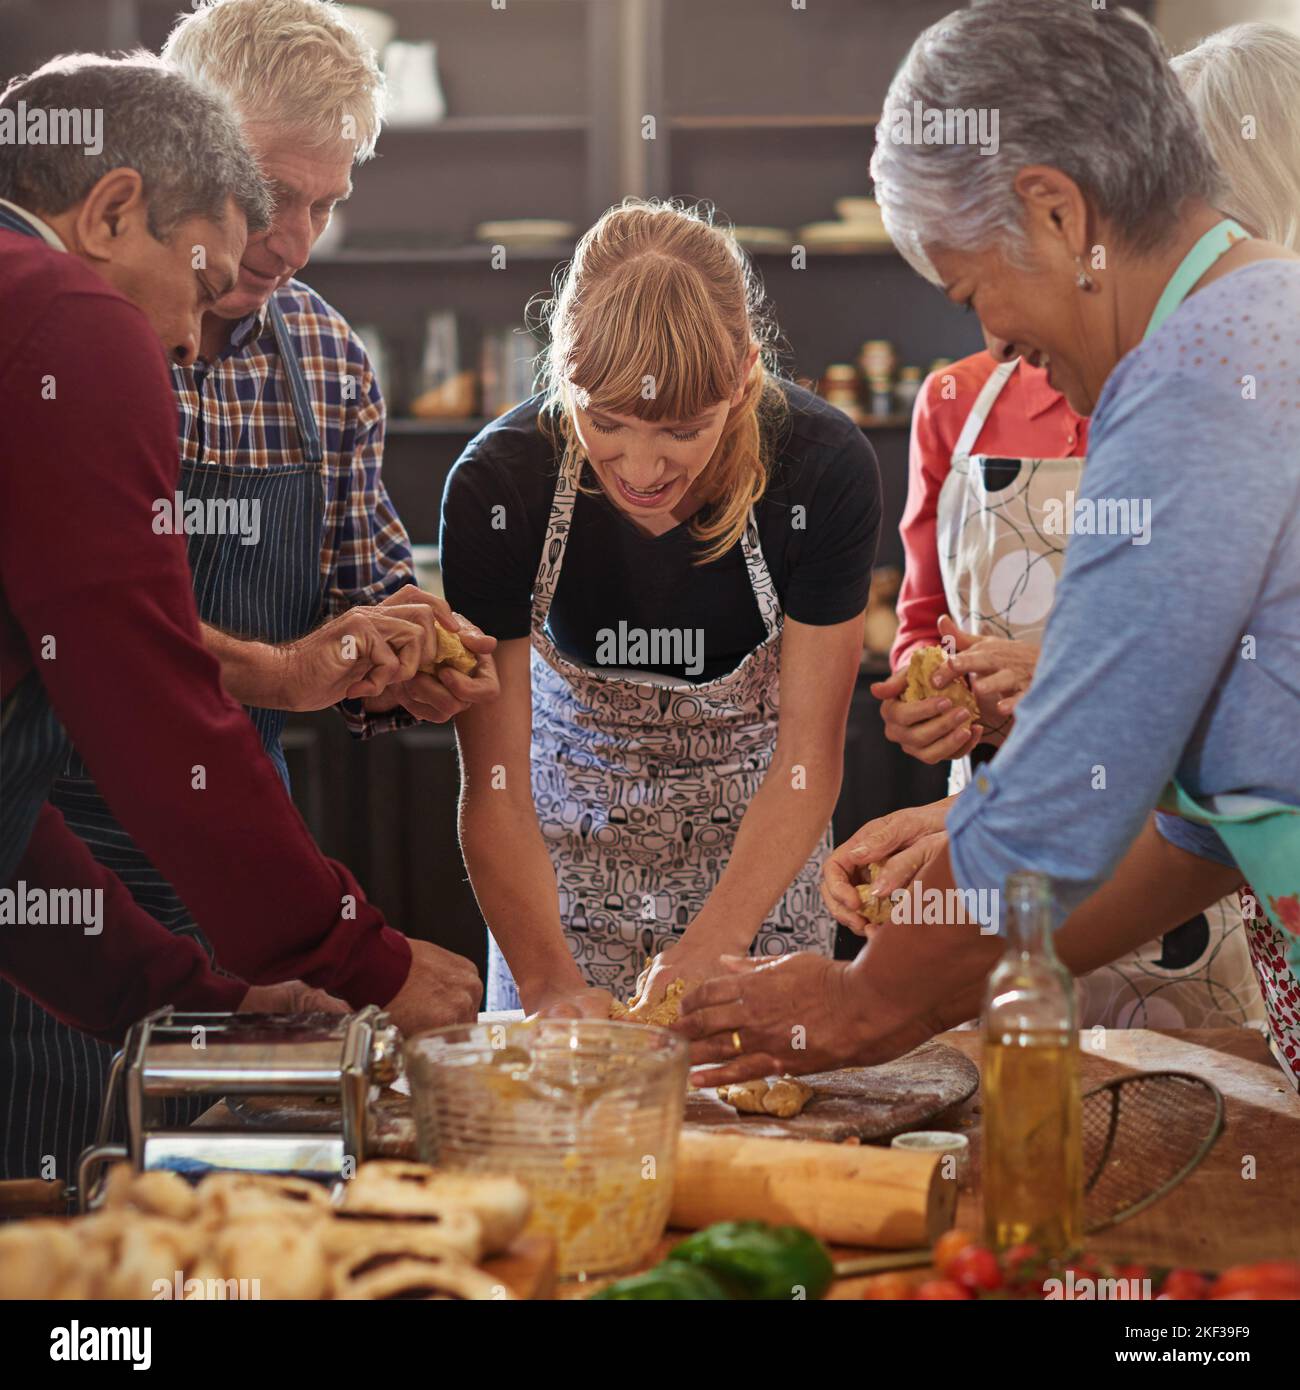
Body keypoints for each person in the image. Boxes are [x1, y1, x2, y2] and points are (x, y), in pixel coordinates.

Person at [677, 0, 1300, 1087]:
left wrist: (865, 1003)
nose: (993, 341)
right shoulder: (1260, 318)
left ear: (1055, 212)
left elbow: (1063, 797)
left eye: (973, 290)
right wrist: (920, 987)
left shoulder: (1196, 382)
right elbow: (1203, 829)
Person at [0, 56, 481, 1182]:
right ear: (112, 210)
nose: (185, 344)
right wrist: (364, 957)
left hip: (179, 889)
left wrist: (189, 997)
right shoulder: (65, 314)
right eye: (199, 277)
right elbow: (150, 702)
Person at [440, 200, 881, 1016]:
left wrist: (716, 945)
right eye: (603, 421)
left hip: (760, 875)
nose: (640, 467)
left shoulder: (823, 472)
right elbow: (494, 782)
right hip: (557, 885)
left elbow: (808, 758)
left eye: (682, 430)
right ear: (562, 372)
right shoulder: (496, 487)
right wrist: (546, 983)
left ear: (745, 373)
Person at [874, 315, 1261, 1030]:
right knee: (1006, 1110)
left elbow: (1246, 682)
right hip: (993, 841)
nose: (995, 335)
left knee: (1191, 1105)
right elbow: (924, 621)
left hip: (1176, 857)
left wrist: (1056, 688)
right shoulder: (952, 401)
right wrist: (924, 703)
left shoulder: (1208, 405)